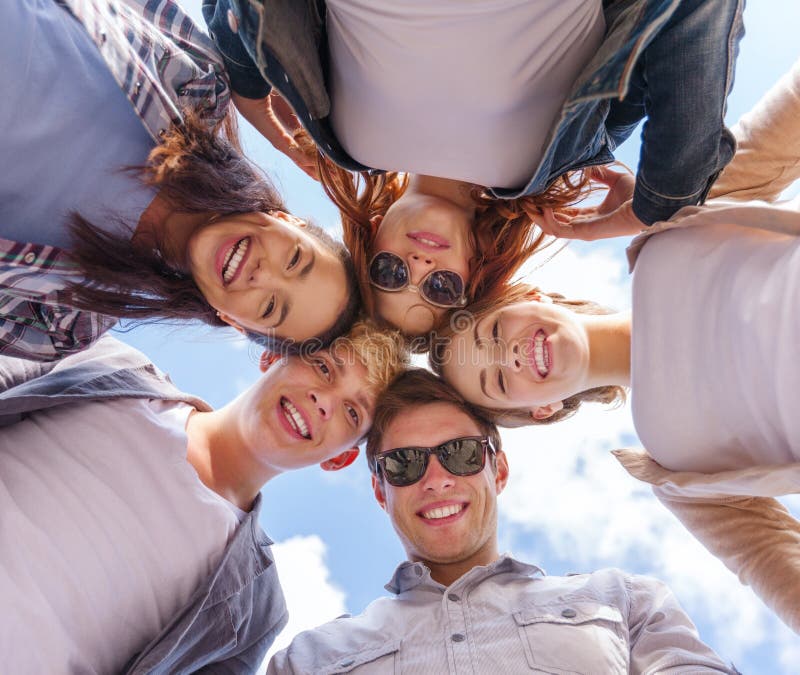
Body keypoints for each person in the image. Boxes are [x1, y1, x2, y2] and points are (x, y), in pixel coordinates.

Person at [430, 62, 800, 633]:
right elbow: (772, 565)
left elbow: (787, 119)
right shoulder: (674, 468)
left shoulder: (672, 233)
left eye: (495, 334)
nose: (510, 356)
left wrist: (661, 198)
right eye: (498, 380)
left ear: (536, 296)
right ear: (542, 410)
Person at [203, 0, 743, 334]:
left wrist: (249, 89)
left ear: (370, 240)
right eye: (438, 289)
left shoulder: (347, 141)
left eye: (390, 275)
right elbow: (698, 14)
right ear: (474, 271)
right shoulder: (558, 156)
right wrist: (660, 202)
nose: (417, 268)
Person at [0, 321, 408, 672]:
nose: (324, 401)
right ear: (272, 356)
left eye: (352, 412)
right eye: (323, 367)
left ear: (339, 459)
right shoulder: (104, 363)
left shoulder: (256, 613)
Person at [267, 369, 735, 674]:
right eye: (405, 464)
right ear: (380, 491)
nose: (436, 479)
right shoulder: (309, 660)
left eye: (461, 454)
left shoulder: (626, 602)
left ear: (500, 470)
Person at [0, 0, 359, 363]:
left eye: (269, 307)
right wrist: (252, 91)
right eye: (295, 260)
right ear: (287, 221)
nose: (262, 274)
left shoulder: (60, 323)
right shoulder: (197, 83)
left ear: (232, 322)